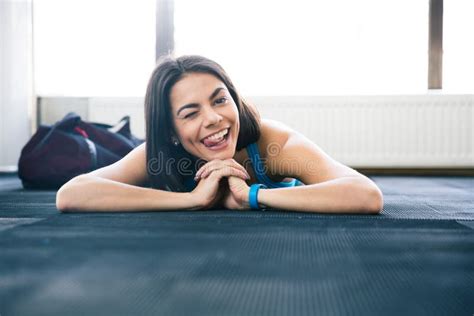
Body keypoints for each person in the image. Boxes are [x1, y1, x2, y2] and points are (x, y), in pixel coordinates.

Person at [56, 55, 383, 213]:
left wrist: (252, 196)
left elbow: (364, 194)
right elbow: (72, 194)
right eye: (191, 113)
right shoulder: (162, 153)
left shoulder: (274, 145)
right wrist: (192, 199)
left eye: (220, 100)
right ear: (170, 130)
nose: (214, 119)